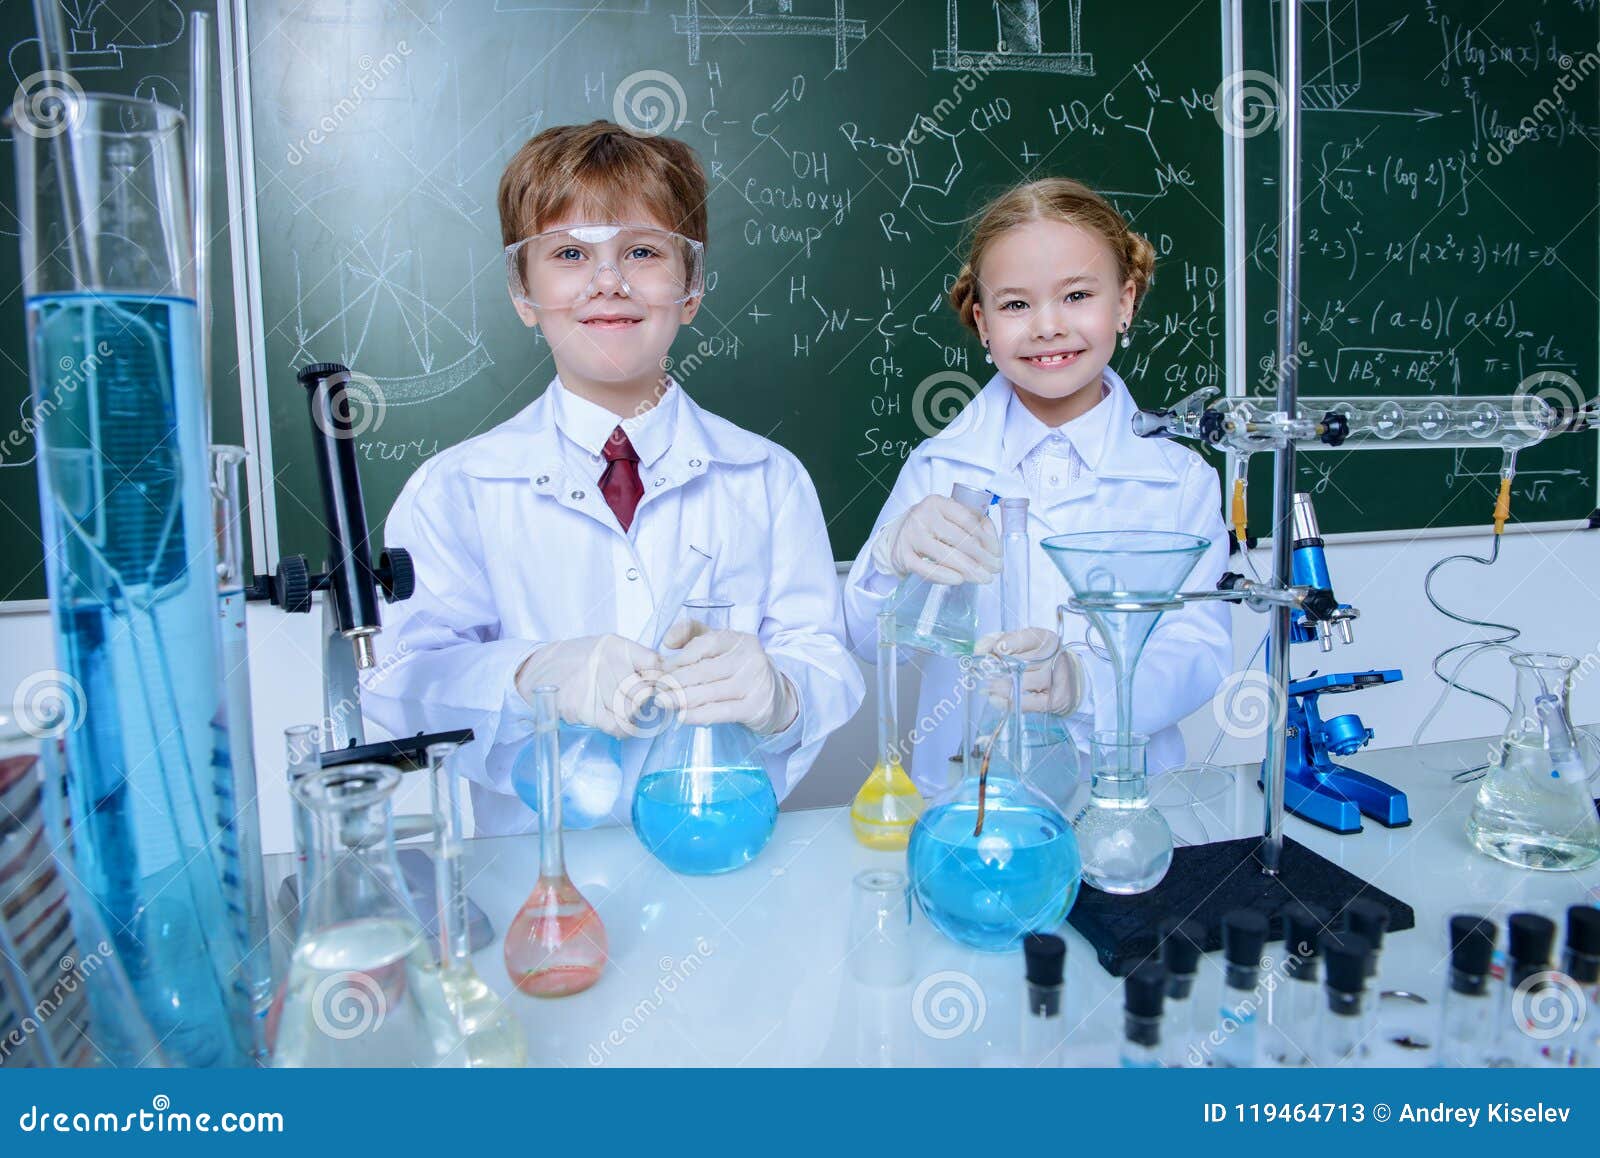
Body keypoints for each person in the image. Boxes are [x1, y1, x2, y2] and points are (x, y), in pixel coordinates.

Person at [362, 120, 863, 835]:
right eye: (569, 252)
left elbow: (825, 660)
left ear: (689, 289)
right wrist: (534, 676)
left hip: (722, 856)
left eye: (643, 251)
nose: (608, 282)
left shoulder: (768, 480)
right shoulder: (455, 492)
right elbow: (400, 684)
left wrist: (782, 693)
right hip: (533, 885)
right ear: (522, 292)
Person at [844, 177, 1231, 792]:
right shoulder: (941, 467)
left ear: (1125, 303)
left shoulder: (1180, 481)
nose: (1048, 327)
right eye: (1016, 304)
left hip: (1125, 793)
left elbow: (1200, 651)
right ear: (983, 321)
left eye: (1077, 295)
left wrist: (1085, 686)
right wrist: (892, 556)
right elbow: (868, 640)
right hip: (965, 801)